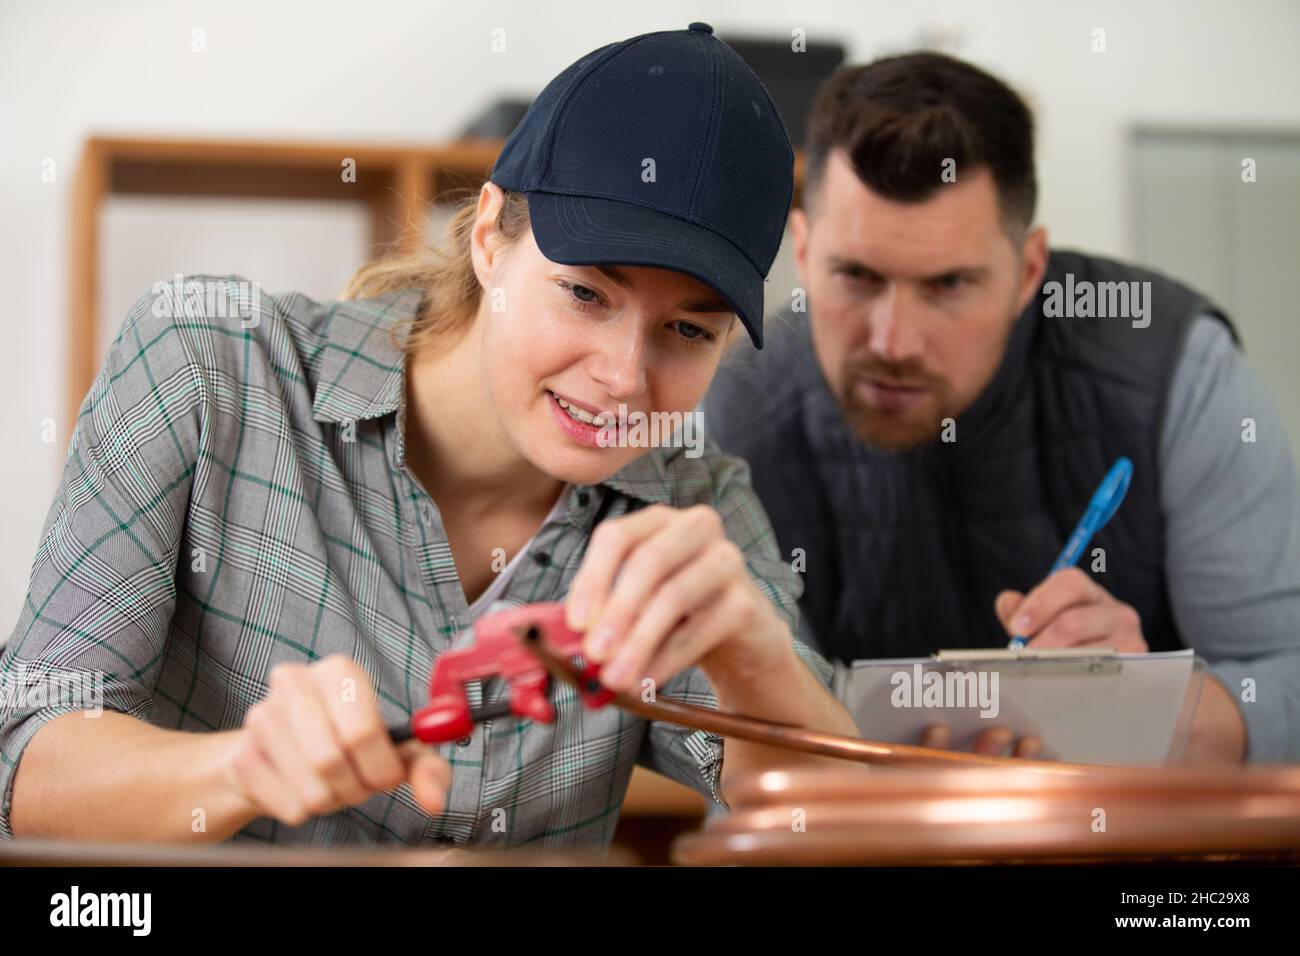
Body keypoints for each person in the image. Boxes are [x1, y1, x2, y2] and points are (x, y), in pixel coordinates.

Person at [0, 22, 855, 850]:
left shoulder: (694, 498)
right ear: (489, 237)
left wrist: (753, 657)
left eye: (689, 332)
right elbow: (26, 760)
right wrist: (239, 770)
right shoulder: (207, 367)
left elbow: (826, 821)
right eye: (586, 295)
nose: (625, 376)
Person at [704, 51, 1300, 764]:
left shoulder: (1176, 370)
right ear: (802, 251)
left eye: (949, 284)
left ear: (1028, 273)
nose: (894, 343)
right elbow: (740, 746)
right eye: (856, 276)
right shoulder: (744, 403)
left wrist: (1149, 707)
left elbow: (1286, 683)